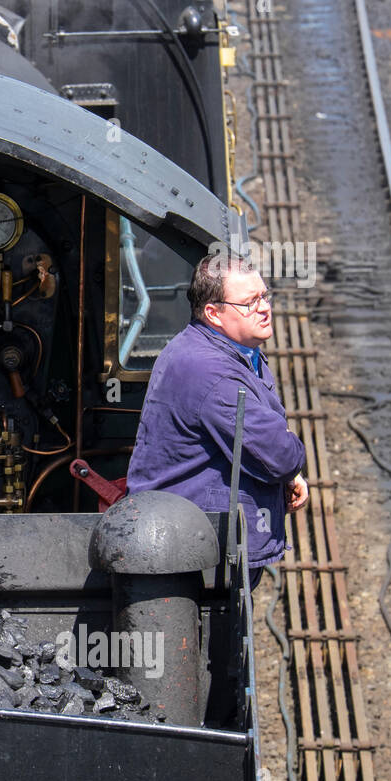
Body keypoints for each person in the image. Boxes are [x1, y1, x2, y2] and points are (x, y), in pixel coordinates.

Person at [126, 252, 309, 589]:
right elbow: (280, 455)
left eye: (264, 296)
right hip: (197, 553)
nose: (264, 308)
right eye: (250, 302)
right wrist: (291, 461)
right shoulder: (211, 371)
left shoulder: (228, 348)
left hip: (196, 539)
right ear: (214, 313)